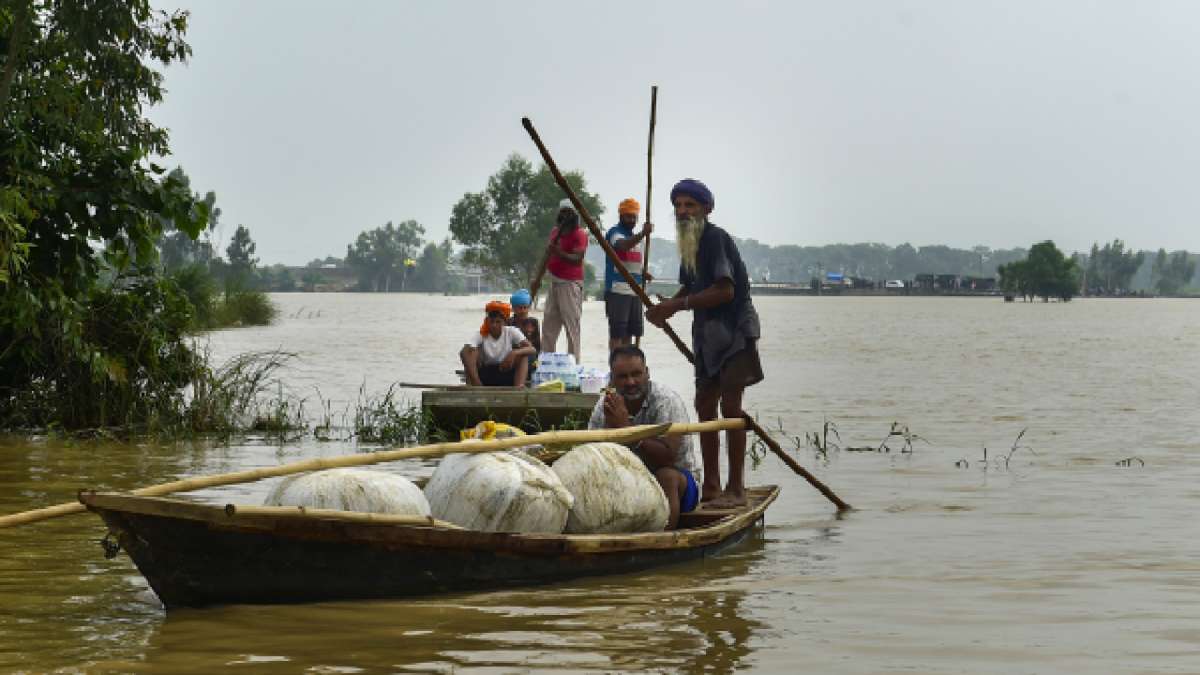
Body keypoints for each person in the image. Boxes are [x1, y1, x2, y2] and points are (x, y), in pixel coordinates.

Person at [645, 179, 762, 508]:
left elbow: (725, 291)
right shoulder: (689, 243)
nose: (682, 212)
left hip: (735, 330)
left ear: (706, 209)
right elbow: (690, 289)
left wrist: (676, 306)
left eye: (689, 206)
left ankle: (735, 489)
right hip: (708, 335)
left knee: (732, 409)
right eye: (678, 206)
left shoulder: (716, 238)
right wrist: (666, 307)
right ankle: (711, 486)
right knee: (705, 405)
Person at [587, 345, 701, 529]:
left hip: (678, 485)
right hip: (630, 482)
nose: (631, 382)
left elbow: (668, 458)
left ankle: (661, 542)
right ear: (612, 379)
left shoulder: (666, 401)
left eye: (636, 374)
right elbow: (594, 454)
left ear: (647, 373)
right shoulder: (605, 406)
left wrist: (627, 429)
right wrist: (611, 427)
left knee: (666, 476)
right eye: (623, 377)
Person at [542, 198, 588, 364]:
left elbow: (577, 258)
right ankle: (546, 363)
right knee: (548, 326)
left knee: (571, 328)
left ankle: (574, 365)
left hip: (570, 284)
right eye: (563, 212)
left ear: (574, 215)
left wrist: (558, 252)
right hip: (554, 282)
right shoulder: (555, 232)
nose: (566, 215)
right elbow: (549, 254)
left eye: (569, 212)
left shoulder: (580, 234)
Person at [604, 197, 653, 351]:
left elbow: (633, 264)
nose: (631, 220)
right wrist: (643, 233)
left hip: (636, 290)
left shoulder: (637, 240)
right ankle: (615, 366)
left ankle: (627, 364)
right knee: (617, 333)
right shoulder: (615, 233)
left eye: (634, 217)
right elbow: (622, 247)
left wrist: (643, 273)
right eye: (628, 216)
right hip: (618, 289)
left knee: (631, 333)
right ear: (621, 216)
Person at [460, 301, 535, 387]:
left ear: (504, 322)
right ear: (487, 321)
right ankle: (476, 385)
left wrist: (514, 353)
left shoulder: (511, 331)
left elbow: (532, 349)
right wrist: (476, 380)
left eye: (498, 322)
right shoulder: (481, 333)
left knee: (524, 355)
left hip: (506, 370)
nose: (494, 325)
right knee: (471, 351)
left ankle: (518, 388)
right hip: (486, 373)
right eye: (492, 322)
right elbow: (464, 352)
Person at [509, 288, 541, 379]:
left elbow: (537, 346)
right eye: (519, 308)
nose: (523, 311)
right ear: (513, 309)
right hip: (513, 357)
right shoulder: (509, 323)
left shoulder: (533, 322)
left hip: (531, 356)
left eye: (525, 307)